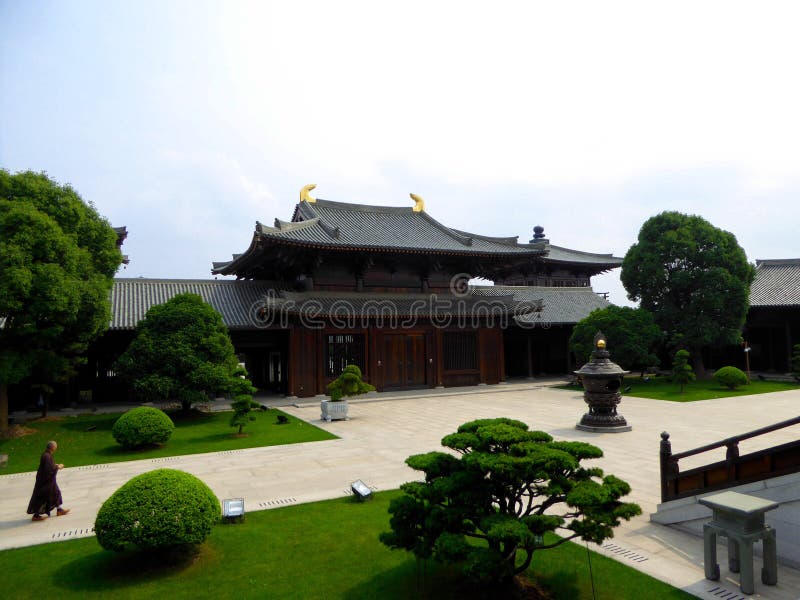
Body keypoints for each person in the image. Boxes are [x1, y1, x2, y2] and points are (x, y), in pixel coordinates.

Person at [27, 440, 70, 521]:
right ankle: (36, 516)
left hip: (48, 480)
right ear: (53, 448)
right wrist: (58, 467)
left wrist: (55, 465)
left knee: (56, 493)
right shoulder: (47, 456)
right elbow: (49, 470)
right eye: (55, 447)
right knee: (43, 497)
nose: (56, 449)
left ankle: (59, 510)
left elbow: (49, 466)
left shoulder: (46, 455)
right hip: (45, 481)